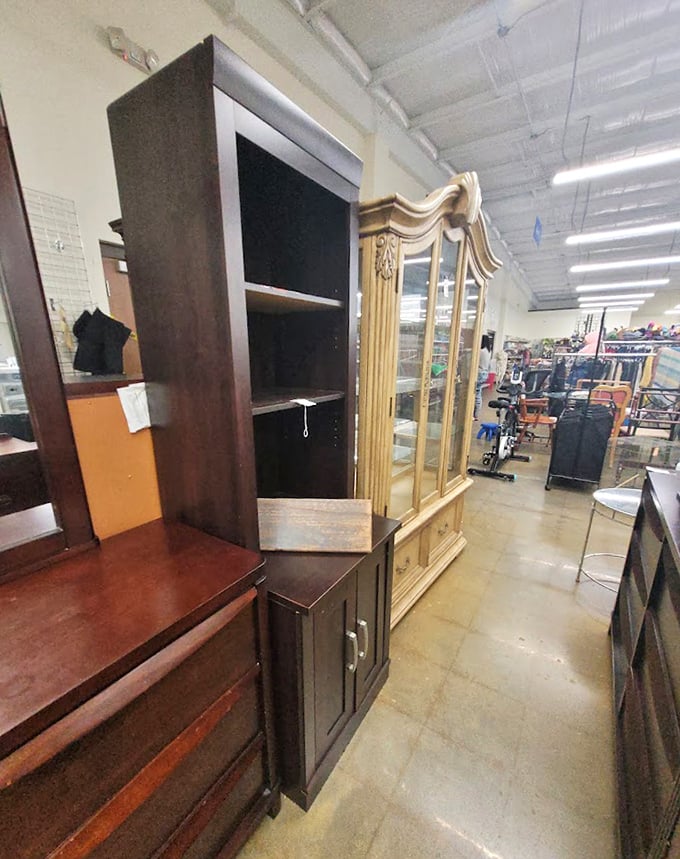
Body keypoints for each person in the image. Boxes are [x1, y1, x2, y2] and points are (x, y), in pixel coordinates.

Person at [474, 334, 492, 419]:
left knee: (475, 394)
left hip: (479, 373)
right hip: (485, 373)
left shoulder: (481, 351)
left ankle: (474, 414)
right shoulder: (488, 351)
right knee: (478, 393)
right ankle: (476, 414)